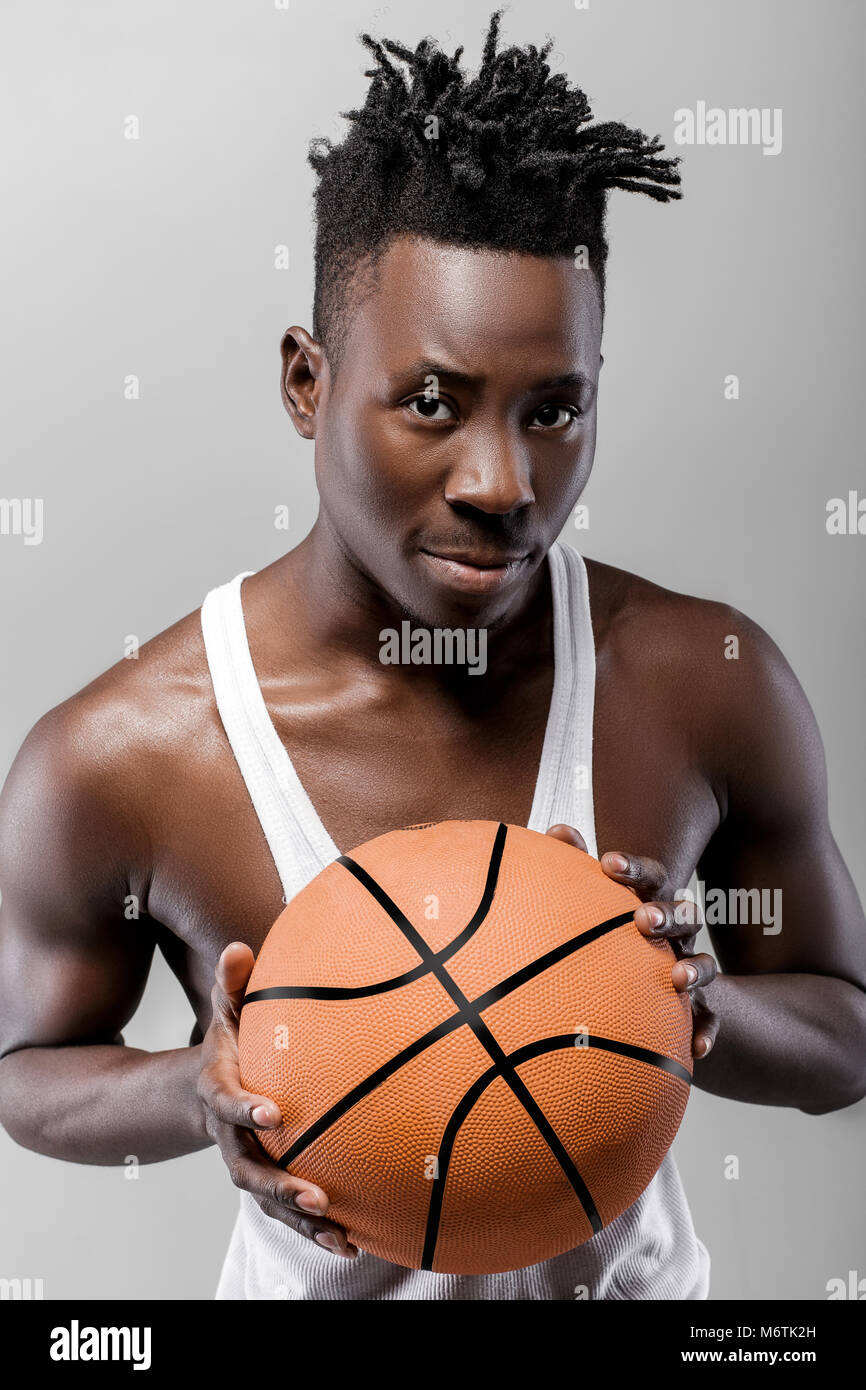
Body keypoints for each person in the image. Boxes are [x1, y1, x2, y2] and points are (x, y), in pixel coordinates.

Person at [1, 10, 864, 1301]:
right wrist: (196, 1088)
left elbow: (845, 1034)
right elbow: (27, 1067)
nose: (502, 483)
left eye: (554, 409)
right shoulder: (127, 752)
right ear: (306, 383)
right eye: (430, 403)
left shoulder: (705, 680)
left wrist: (696, 1003)